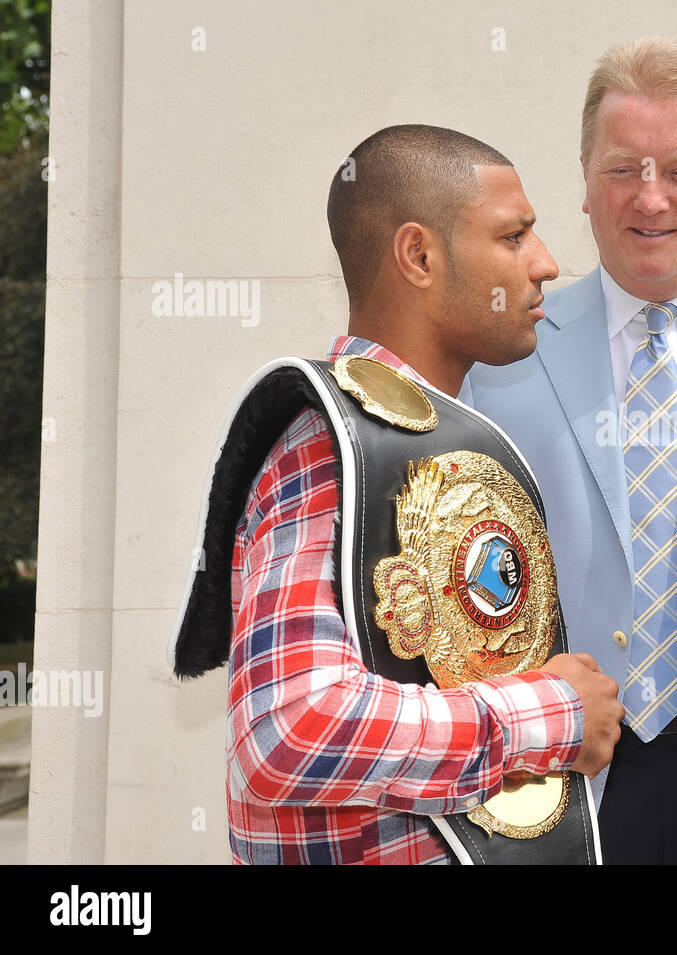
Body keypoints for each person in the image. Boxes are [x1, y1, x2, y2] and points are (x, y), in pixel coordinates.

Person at [169, 125, 624, 863]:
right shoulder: (333, 444)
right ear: (419, 255)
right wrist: (551, 715)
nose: (545, 264)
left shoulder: (426, 442)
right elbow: (288, 727)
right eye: (513, 237)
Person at [464, 38, 677, 864]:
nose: (649, 198)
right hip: (549, 789)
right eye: (622, 169)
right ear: (584, 179)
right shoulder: (500, 358)